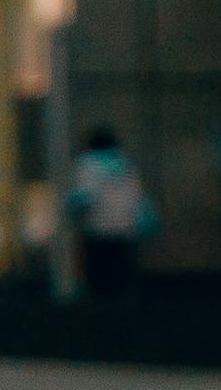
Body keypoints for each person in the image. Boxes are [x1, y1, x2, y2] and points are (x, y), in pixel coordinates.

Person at [67, 124, 156, 295]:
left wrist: (72, 212)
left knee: (100, 276)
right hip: (126, 228)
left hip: (97, 229)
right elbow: (137, 198)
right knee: (122, 274)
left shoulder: (87, 164)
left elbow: (84, 197)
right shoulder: (126, 164)